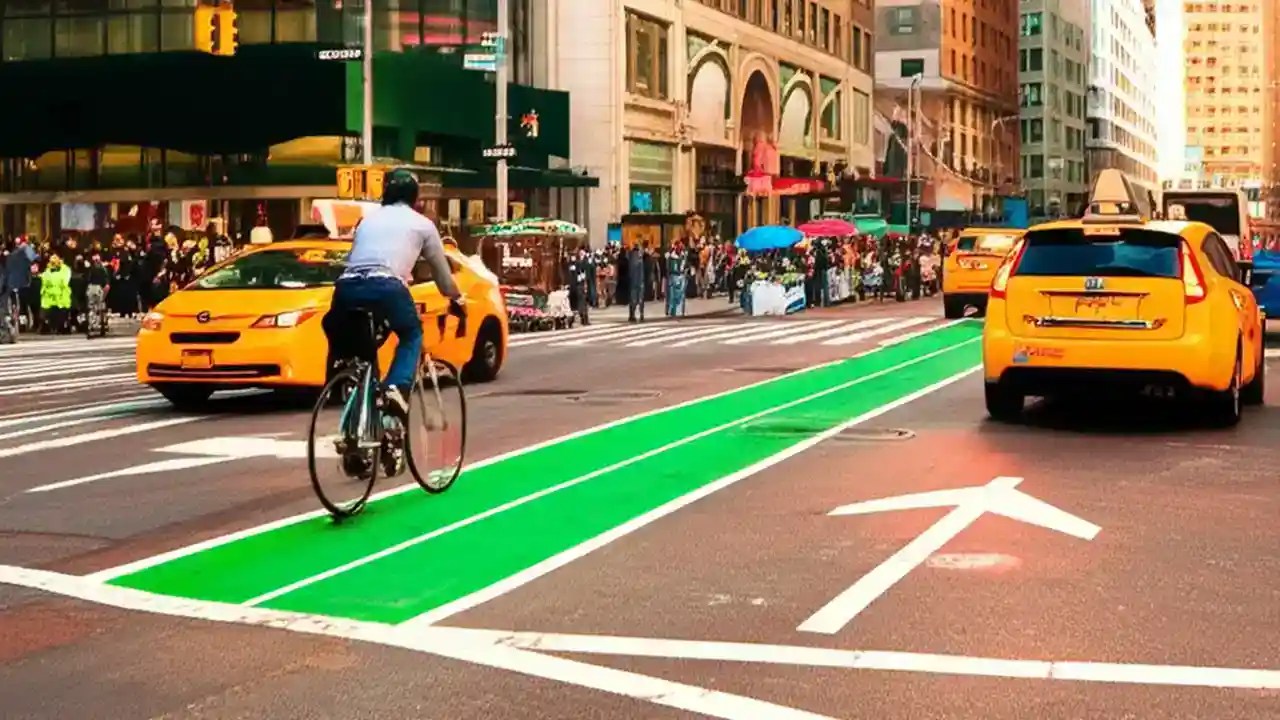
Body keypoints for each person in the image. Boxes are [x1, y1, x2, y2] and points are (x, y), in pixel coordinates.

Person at [322, 168, 463, 416]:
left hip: (346, 287)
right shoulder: (423, 225)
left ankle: (350, 390)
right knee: (411, 334)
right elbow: (444, 280)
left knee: (362, 347)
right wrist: (457, 298)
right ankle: (396, 388)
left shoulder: (367, 221)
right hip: (387, 286)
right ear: (415, 197)